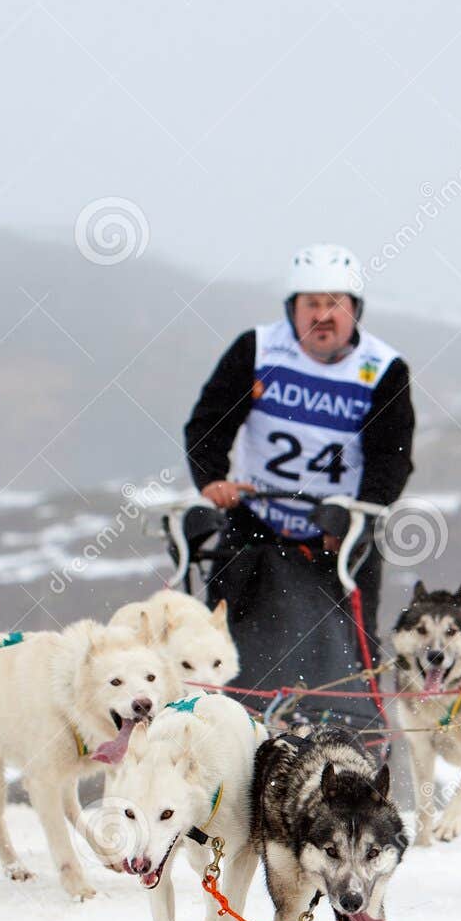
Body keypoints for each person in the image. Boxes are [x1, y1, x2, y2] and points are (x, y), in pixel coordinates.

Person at [183, 243, 415, 665]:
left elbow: (392, 457)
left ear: (355, 310)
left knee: (343, 654)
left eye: (334, 304)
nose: (322, 316)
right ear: (293, 308)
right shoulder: (257, 350)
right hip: (256, 521)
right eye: (311, 304)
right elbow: (209, 423)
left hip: (339, 533)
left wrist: (355, 515)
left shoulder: (384, 369)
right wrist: (212, 479)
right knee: (229, 649)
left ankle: (353, 723)